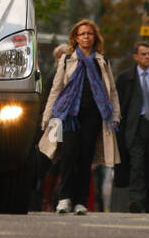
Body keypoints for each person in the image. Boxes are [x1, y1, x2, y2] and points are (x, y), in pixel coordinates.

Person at [39, 20, 121, 214]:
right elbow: (56, 88)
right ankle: (64, 198)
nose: (86, 37)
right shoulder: (67, 59)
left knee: (86, 157)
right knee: (68, 155)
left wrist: (115, 115)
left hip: (93, 115)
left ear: (95, 37)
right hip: (68, 115)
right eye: (82, 34)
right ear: (75, 38)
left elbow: (112, 91)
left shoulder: (102, 61)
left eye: (89, 33)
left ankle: (80, 201)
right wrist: (47, 116)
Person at [115, 42, 149, 212]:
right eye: (143, 54)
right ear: (135, 57)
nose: (147, 57)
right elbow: (120, 103)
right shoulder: (125, 78)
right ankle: (137, 200)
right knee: (137, 163)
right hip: (135, 126)